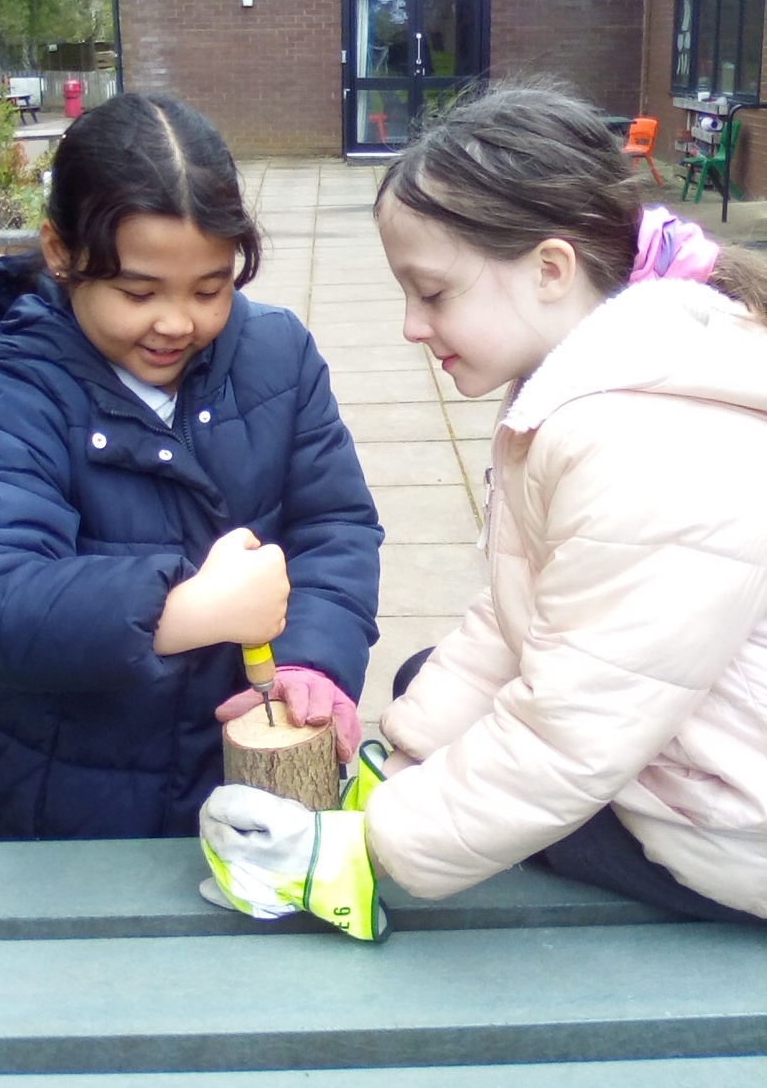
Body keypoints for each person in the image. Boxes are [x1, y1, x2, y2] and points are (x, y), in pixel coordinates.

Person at [200, 82, 767, 939]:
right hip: (704, 755)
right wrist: (395, 759)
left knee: (510, 794)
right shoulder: (597, 384)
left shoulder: (645, 434)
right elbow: (521, 620)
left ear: (549, 268)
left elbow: (570, 738)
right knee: (426, 687)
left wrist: (359, 850)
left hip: (736, 834)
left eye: (433, 293)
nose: (410, 327)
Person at [0, 92, 382, 843]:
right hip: (69, 806)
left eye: (210, 287)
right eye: (138, 292)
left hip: (236, 780)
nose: (178, 321)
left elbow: (334, 525)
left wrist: (313, 660)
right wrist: (185, 613)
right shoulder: (25, 389)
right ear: (60, 252)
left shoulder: (278, 355)